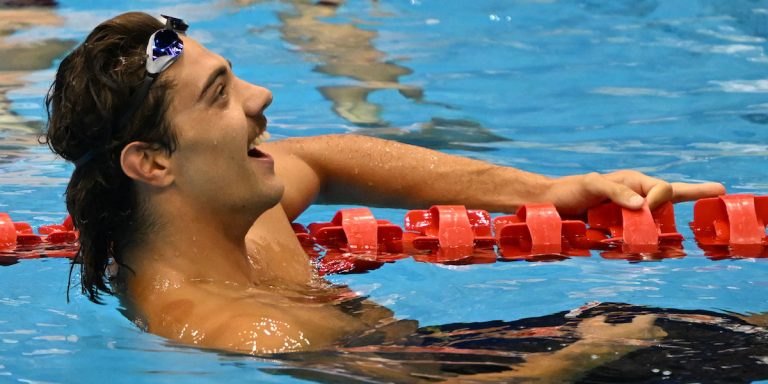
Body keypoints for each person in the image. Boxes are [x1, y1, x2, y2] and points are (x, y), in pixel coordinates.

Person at [44, 12, 725, 362]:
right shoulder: (244, 329)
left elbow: (329, 157)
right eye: (221, 95)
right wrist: (591, 352)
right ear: (152, 162)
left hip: (450, 348)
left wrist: (545, 193)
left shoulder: (239, 208)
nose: (261, 96)